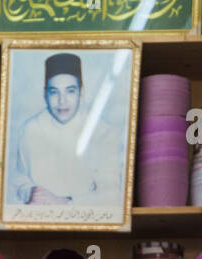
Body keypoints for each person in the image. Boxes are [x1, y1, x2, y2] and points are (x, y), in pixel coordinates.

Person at [13, 52, 125, 209]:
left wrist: (64, 202)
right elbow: (19, 178)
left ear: (82, 92)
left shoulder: (104, 133)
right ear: (45, 94)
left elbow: (111, 196)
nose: (62, 101)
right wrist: (30, 192)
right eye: (54, 92)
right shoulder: (30, 129)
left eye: (70, 91)